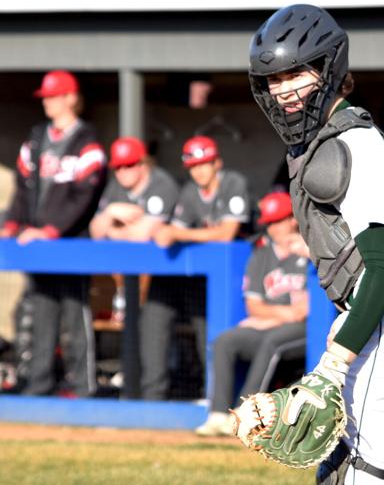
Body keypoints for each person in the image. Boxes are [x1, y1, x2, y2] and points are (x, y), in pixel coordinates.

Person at [249, 4, 384, 483]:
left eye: (296, 73)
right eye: (275, 79)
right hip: (381, 316)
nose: (284, 90)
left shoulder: (353, 144)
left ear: (329, 69)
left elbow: (381, 269)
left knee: (362, 476)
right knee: (341, 472)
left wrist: (332, 365)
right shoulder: (323, 143)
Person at [0, 70, 106, 397]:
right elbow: (23, 189)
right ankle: (39, 385)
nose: (47, 102)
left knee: (75, 317)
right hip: (38, 245)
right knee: (42, 315)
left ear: (70, 98)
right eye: (45, 97)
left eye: (53, 96)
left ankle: (84, 387)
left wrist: (51, 229)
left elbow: (84, 197)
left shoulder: (88, 142)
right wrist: (12, 223)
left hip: (72, 244)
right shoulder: (36, 138)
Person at [140, 135, 250, 400]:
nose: (200, 170)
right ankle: (205, 394)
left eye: (205, 163)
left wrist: (182, 234)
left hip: (246, 274)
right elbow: (173, 230)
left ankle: (227, 398)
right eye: (194, 165)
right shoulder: (190, 191)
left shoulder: (233, 182)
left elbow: (226, 233)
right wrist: (170, 232)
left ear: (217, 163)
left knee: (222, 338)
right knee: (204, 333)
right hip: (210, 277)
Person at [195, 192, 309, 436]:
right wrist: (282, 314)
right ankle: (217, 415)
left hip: (307, 331)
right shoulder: (262, 256)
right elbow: (253, 307)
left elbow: (305, 312)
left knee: (272, 342)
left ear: (293, 218)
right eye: (269, 223)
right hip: (272, 325)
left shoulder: (311, 251)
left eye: (278, 221)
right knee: (226, 340)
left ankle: (244, 413)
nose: (274, 229)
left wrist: (274, 316)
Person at [90, 137, 179, 242]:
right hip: (125, 255)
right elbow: (95, 232)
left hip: (160, 256)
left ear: (144, 164)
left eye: (129, 165)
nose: (122, 171)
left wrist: (111, 232)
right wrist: (110, 211)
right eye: (117, 167)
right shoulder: (115, 185)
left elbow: (143, 235)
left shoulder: (162, 184)